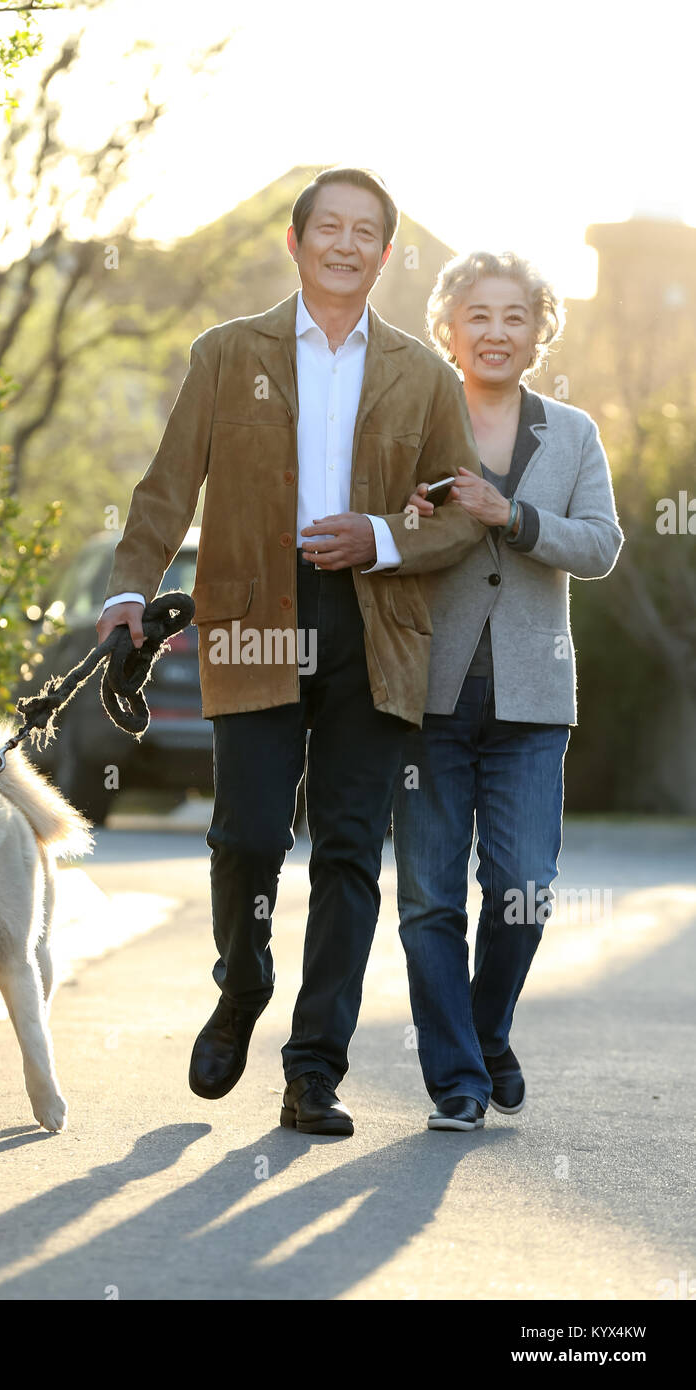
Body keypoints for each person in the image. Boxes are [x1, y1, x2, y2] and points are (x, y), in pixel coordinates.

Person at [96, 167, 485, 1136]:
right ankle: (242, 982)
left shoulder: (423, 374)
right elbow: (164, 486)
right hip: (254, 612)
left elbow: (460, 513)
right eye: (330, 228)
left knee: (349, 852)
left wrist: (382, 538)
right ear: (295, 239)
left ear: (386, 255)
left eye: (366, 232)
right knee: (247, 837)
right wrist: (126, 591)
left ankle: (313, 1070)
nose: (346, 245)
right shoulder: (227, 353)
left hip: (372, 624)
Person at [392, 251, 624, 1131]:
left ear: (539, 333)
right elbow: (372, 531)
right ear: (447, 326)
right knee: (430, 898)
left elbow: (601, 546)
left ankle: (485, 1032)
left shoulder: (572, 433)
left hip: (533, 701)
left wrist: (513, 517)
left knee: (524, 887)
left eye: (514, 316)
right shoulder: (411, 420)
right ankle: (456, 1078)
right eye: (478, 314)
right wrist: (407, 516)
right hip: (425, 699)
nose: (496, 331)